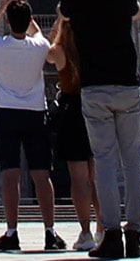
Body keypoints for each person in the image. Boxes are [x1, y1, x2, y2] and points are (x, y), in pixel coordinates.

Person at [58, 0, 140, 260]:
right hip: (127, 86)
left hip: (95, 88)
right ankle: (134, 234)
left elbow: (64, 8)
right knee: (133, 162)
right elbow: (136, 11)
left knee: (105, 163)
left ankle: (110, 234)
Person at [0, 0, 63, 253]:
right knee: (41, 175)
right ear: (29, 20)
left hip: (7, 114)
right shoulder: (39, 47)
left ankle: (12, 231)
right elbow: (40, 36)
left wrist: (2, 6)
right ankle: (50, 232)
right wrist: (27, 18)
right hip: (35, 114)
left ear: (7, 20)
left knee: (10, 175)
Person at [46, 18, 101, 253]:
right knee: (98, 175)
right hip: (97, 108)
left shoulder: (60, 52)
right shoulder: (94, 48)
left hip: (73, 112)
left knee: (78, 177)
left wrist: (59, 23)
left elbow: (46, 51)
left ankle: (86, 232)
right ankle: (104, 228)